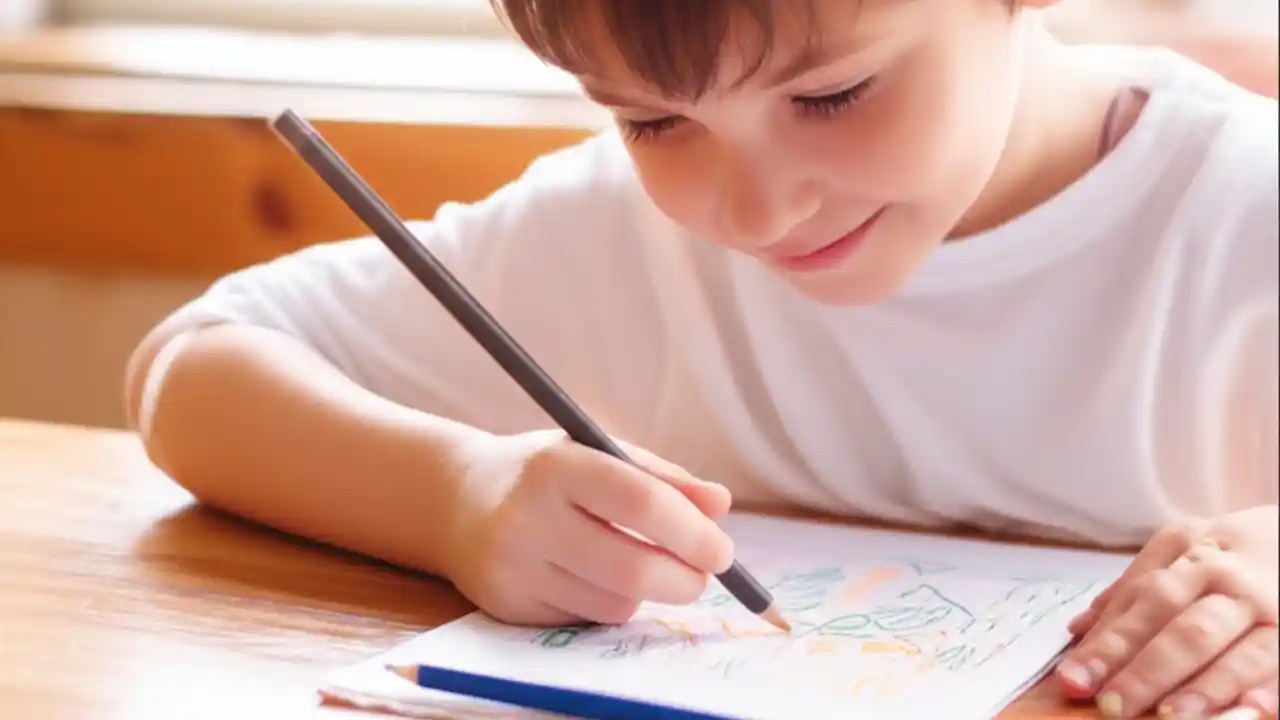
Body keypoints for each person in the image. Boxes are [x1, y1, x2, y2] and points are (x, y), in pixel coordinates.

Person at [123, 1, 1278, 718]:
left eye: (830, 94)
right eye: (652, 121)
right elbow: (192, 368)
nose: (757, 205)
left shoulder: (1241, 215)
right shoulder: (617, 236)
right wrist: (452, 497)